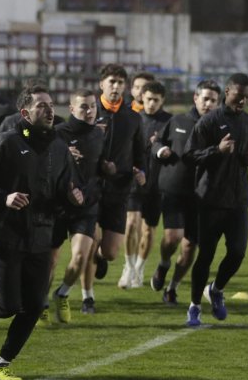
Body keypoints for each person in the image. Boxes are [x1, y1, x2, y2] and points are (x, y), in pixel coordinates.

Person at [0, 84, 83, 380]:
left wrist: (73, 198)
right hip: (5, 234)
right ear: (25, 113)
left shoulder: (59, 148)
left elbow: (64, 192)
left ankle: (0, 365)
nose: (49, 110)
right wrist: (4, 199)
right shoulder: (6, 142)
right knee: (9, 305)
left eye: (51, 104)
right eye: (41, 105)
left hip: (41, 235)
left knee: (35, 305)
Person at [182, 73, 248, 326]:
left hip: (239, 200)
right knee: (205, 255)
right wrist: (216, 150)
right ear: (227, 92)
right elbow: (189, 155)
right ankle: (194, 306)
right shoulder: (209, 121)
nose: (243, 101)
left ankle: (216, 289)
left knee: (237, 252)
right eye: (239, 96)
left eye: (247, 97)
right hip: (210, 200)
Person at [150, 79, 221, 304]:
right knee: (173, 238)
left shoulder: (219, 128)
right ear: (195, 98)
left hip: (202, 195)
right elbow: (156, 142)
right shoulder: (177, 120)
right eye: (205, 98)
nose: (208, 104)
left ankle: (172, 287)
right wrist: (160, 149)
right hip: (174, 189)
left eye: (213, 100)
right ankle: (163, 264)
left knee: (190, 246)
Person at [87, 64, 147, 313]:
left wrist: (141, 171)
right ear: (102, 84)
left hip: (119, 190)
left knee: (111, 252)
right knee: (89, 242)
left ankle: (102, 258)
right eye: (111, 81)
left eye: (120, 82)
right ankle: (87, 298)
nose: (116, 86)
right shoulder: (89, 111)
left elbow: (140, 152)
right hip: (91, 188)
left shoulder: (132, 118)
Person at [50, 88, 106, 322]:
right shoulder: (57, 134)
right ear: (72, 108)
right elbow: (44, 166)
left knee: (81, 256)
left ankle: (62, 293)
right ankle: (40, 303)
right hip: (57, 206)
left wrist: (109, 168)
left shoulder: (100, 134)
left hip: (86, 207)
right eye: (84, 106)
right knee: (49, 261)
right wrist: (64, 156)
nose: (90, 110)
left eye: (93, 106)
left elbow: (100, 168)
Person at [119, 79, 172, 289]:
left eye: (156, 100)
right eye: (148, 99)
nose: (151, 103)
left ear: (162, 100)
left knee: (149, 230)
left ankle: (139, 269)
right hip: (134, 182)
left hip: (157, 184)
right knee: (131, 224)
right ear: (142, 97)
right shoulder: (133, 119)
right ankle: (128, 267)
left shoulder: (170, 122)